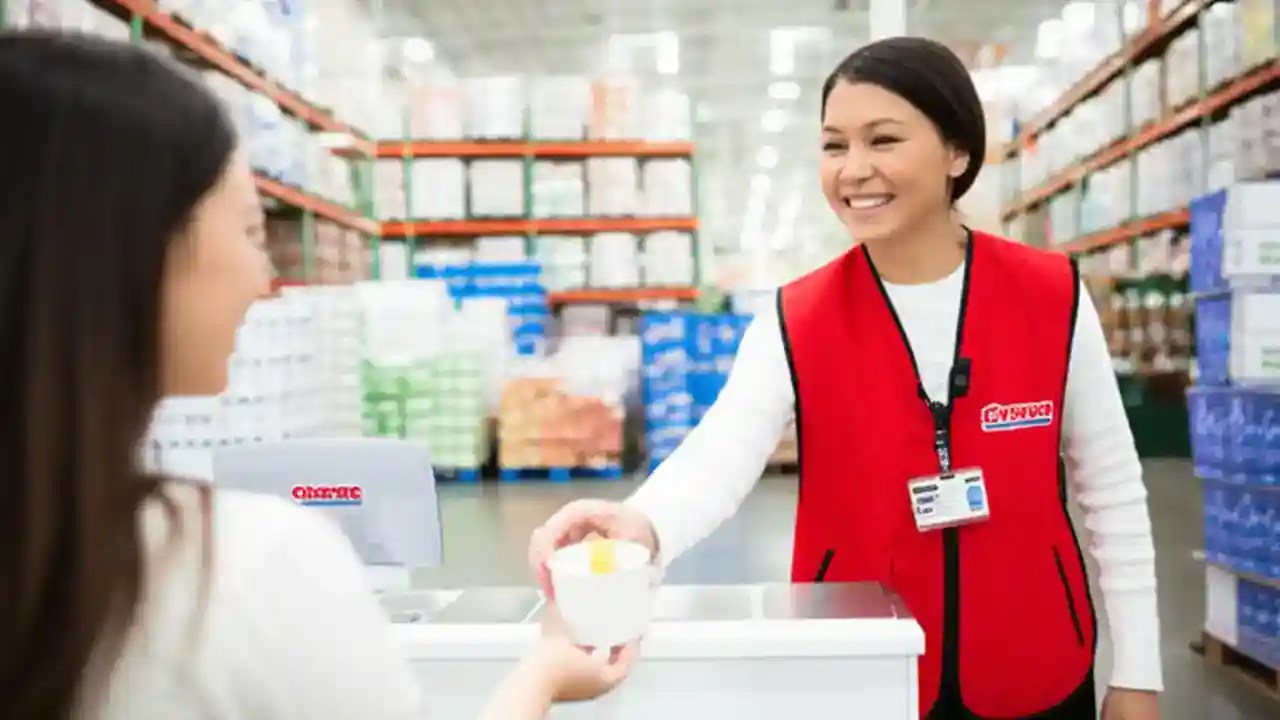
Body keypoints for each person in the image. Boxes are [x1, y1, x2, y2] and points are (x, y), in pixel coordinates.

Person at [0, 32, 633, 720]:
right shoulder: (237, 569)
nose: (266, 277)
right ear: (136, 252)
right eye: (248, 233)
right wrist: (540, 680)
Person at [531, 37, 1163, 720]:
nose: (854, 170)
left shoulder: (1051, 296)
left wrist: (1137, 672)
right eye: (835, 147)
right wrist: (638, 524)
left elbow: (1112, 491)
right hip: (860, 667)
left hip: (1035, 661)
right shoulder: (798, 317)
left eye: (883, 140)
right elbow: (719, 457)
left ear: (957, 152)